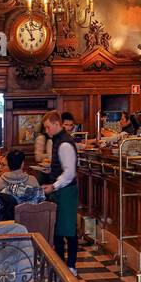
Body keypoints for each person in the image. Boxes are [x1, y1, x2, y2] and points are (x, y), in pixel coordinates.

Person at [40, 110, 80, 273]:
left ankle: (70, 266)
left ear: (57, 124)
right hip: (62, 191)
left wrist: (54, 186)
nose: (46, 131)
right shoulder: (58, 140)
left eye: (48, 127)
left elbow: (69, 173)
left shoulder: (64, 144)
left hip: (66, 192)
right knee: (58, 229)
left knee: (68, 230)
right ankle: (60, 265)